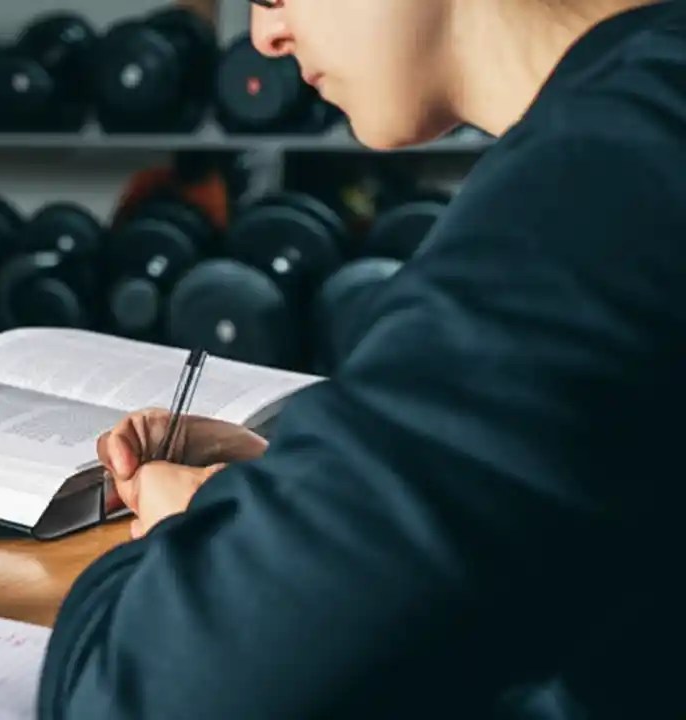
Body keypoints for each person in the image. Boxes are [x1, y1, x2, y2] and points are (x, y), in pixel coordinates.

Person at [37, 1, 686, 718]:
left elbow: (146, 696)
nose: (264, 36)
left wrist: (197, 535)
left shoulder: (600, 179)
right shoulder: (644, 109)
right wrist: (301, 488)